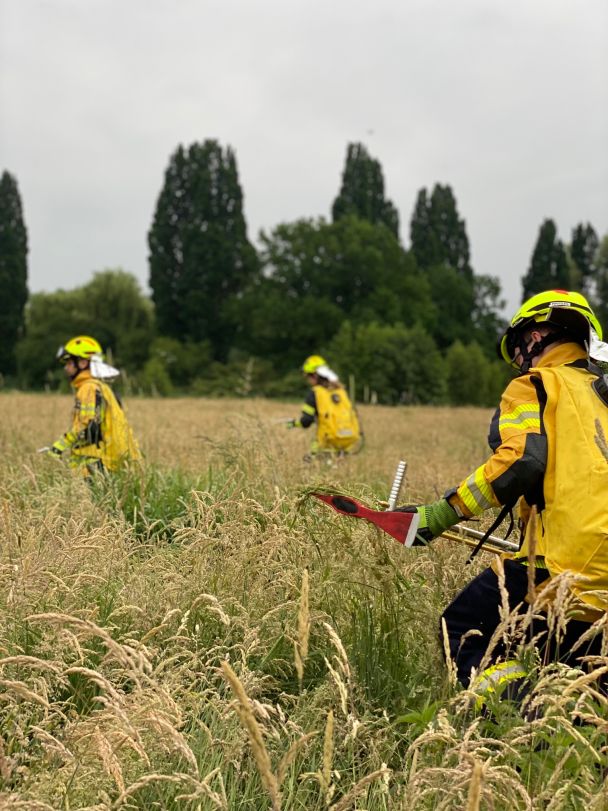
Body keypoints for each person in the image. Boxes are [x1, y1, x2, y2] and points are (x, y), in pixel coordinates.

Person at [397, 290, 608, 703]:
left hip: (562, 564)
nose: (519, 361)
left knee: (460, 631)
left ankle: (526, 718)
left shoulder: (536, 385)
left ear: (537, 335)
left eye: (518, 351)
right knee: (581, 677)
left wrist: (440, 514)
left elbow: (521, 462)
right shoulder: (604, 394)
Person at [46, 335, 141, 475]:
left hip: (97, 460)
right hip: (109, 459)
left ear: (83, 362)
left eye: (69, 363)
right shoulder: (100, 386)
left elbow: (86, 425)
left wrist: (58, 446)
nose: (66, 368)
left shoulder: (88, 388)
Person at [288, 354, 362, 458]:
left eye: (308, 376)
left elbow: (306, 421)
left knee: (309, 463)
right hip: (348, 442)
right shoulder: (341, 391)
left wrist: (294, 424)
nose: (308, 380)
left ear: (315, 375)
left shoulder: (315, 393)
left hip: (326, 442)